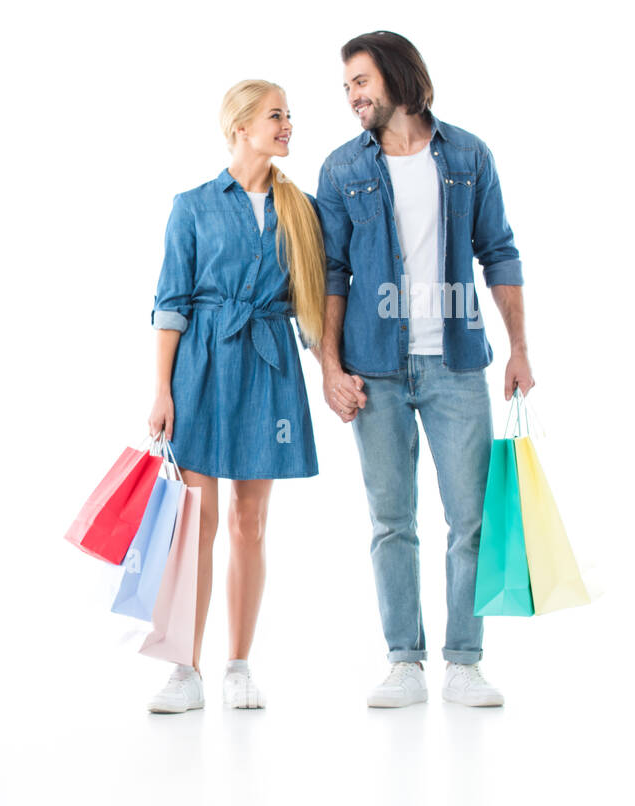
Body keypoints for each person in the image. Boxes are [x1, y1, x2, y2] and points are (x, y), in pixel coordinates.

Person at [316, 31, 533, 708]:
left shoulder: (467, 155)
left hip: (456, 363)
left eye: (360, 80)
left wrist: (520, 346)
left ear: (397, 75)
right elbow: (329, 272)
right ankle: (404, 660)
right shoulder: (341, 168)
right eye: (346, 85)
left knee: (469, 518)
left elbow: (498, 250)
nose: (352, 95)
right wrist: (328, 364)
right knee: (391, 520)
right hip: (372, 368)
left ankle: (464, 660)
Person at [145, 80, 325, 713]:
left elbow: (316, 302)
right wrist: (162, 389)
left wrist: (332, 369)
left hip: (270, 367)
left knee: (250, 522)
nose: (288, 127)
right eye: (277, 116)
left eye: (289, 117)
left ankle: (239, 665)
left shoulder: (302, 209)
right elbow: (170, 303)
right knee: (198, 520)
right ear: (241, 127)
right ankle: (183, 670)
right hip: (201, 366)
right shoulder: (191, 206)